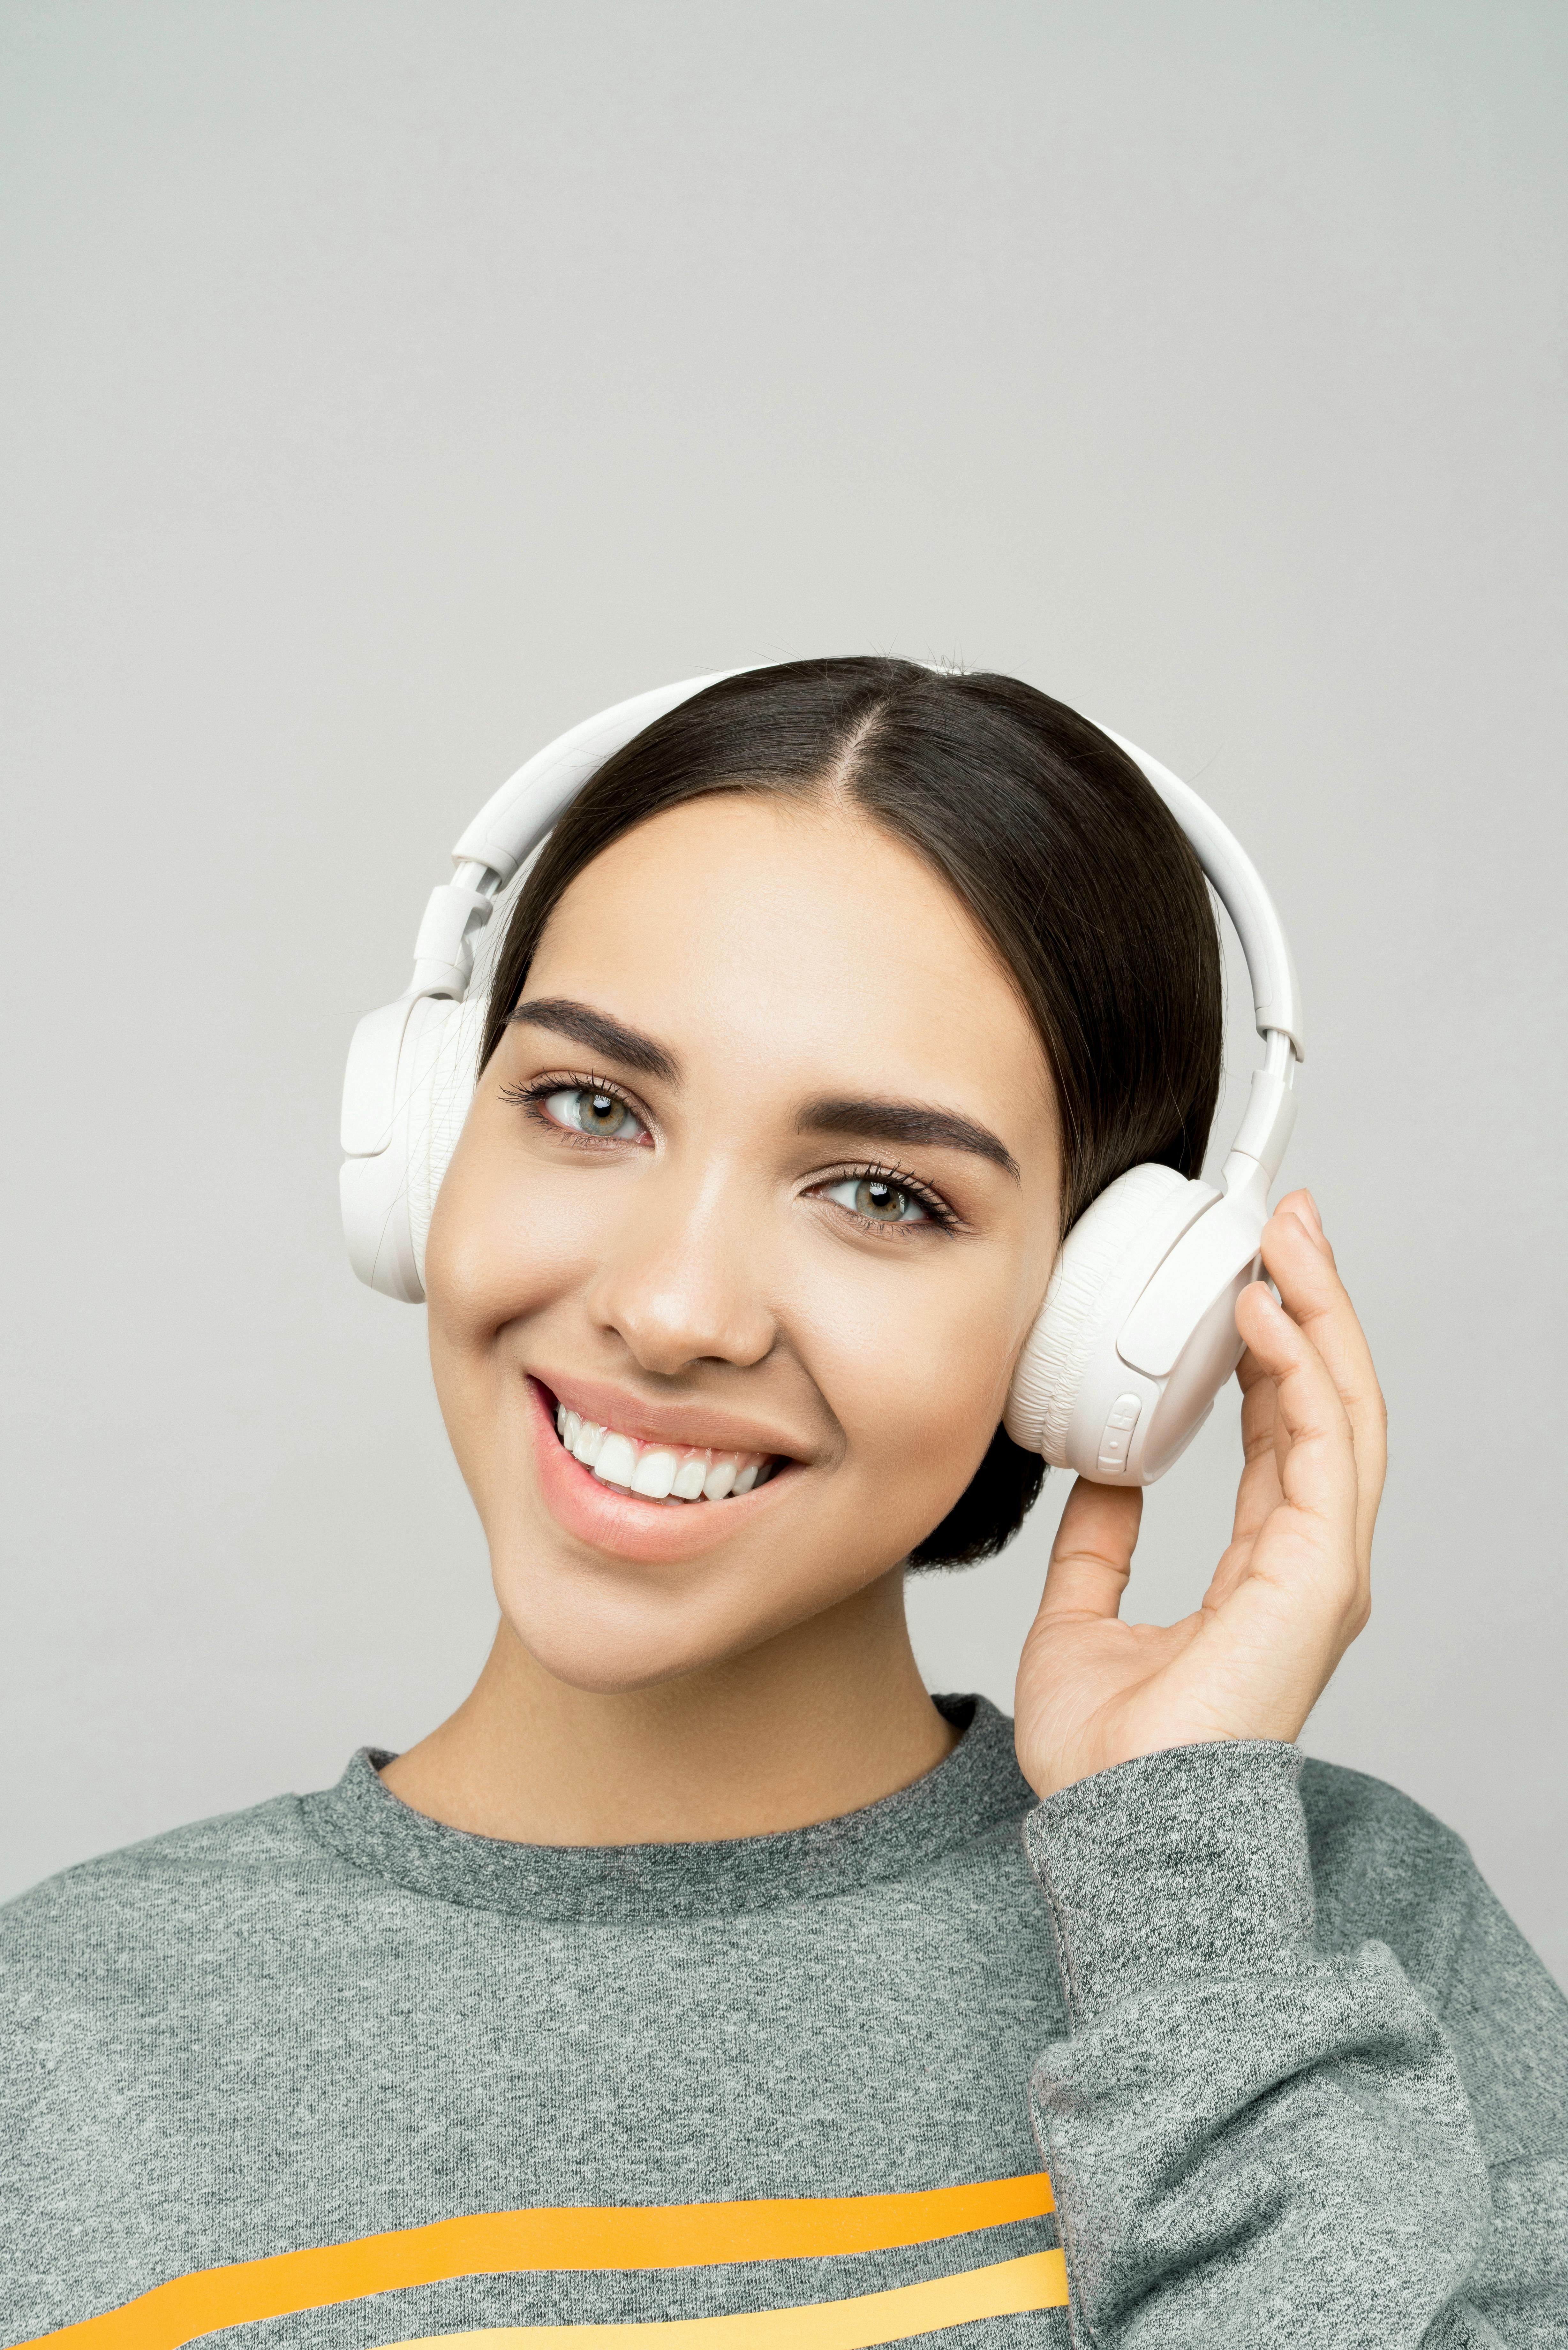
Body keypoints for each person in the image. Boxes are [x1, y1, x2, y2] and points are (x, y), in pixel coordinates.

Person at [3, 660, 1564, 2349]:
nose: (677, 1311)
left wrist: (1181, 1910)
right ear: (431, 1138)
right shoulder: (61, 2049)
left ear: (1101, 1325)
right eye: (590, 1106)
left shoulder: (1325, 1948)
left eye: (884, 1195)